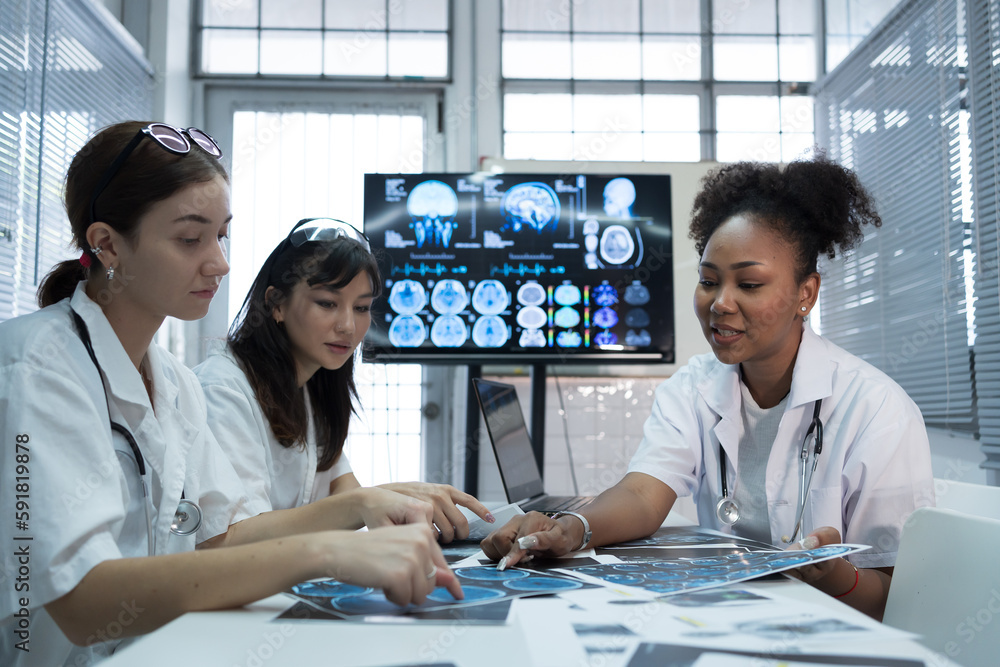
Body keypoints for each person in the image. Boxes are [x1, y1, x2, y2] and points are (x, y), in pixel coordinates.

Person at [0, 122, 460, 666]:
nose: (219, 263)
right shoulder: (37, 366)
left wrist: (359, 516)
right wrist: (329, 550)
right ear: (106, 244)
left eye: (222, 235)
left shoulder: (173, 383)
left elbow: (220, 539)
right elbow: (81, 603)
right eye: (190, 239)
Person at [480, 157, 935, 620]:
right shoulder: (693, 386)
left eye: (750, 283)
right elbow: (643, 494)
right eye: (708, 281)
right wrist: (573, 528)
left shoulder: (876, 409)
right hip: (727, 618)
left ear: (807, 293)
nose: (720, 304)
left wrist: (835, 575)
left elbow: (899, 598)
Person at [195, 217, 493, 542]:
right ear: (275, 304)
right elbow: (230, 540)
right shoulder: (223, 389)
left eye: (362, 307)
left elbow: (343, 493)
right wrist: (370, 500)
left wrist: (402, 498)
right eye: (327, 303)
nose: (348, 326)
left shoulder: (312, 383)